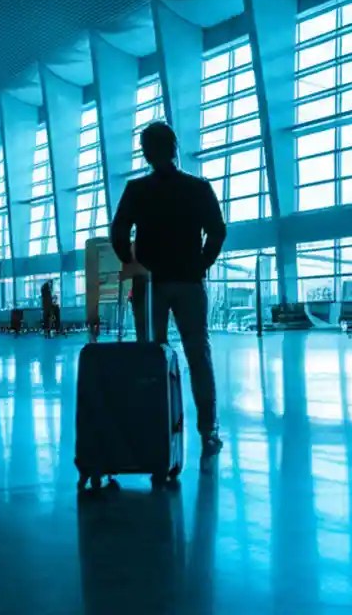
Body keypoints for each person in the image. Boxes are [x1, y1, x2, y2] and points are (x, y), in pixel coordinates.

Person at [110, 121, 227, 471]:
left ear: (146, 152)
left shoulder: (136, 190)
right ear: (174, 148)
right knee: (197, 355)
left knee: (150, 355)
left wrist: (132, 264)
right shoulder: (198, 188)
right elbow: (218, 231)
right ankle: (208, 431)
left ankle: (156, 426)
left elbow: (118, 232)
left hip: (151, 286)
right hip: (188, 283)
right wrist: (200, 264)